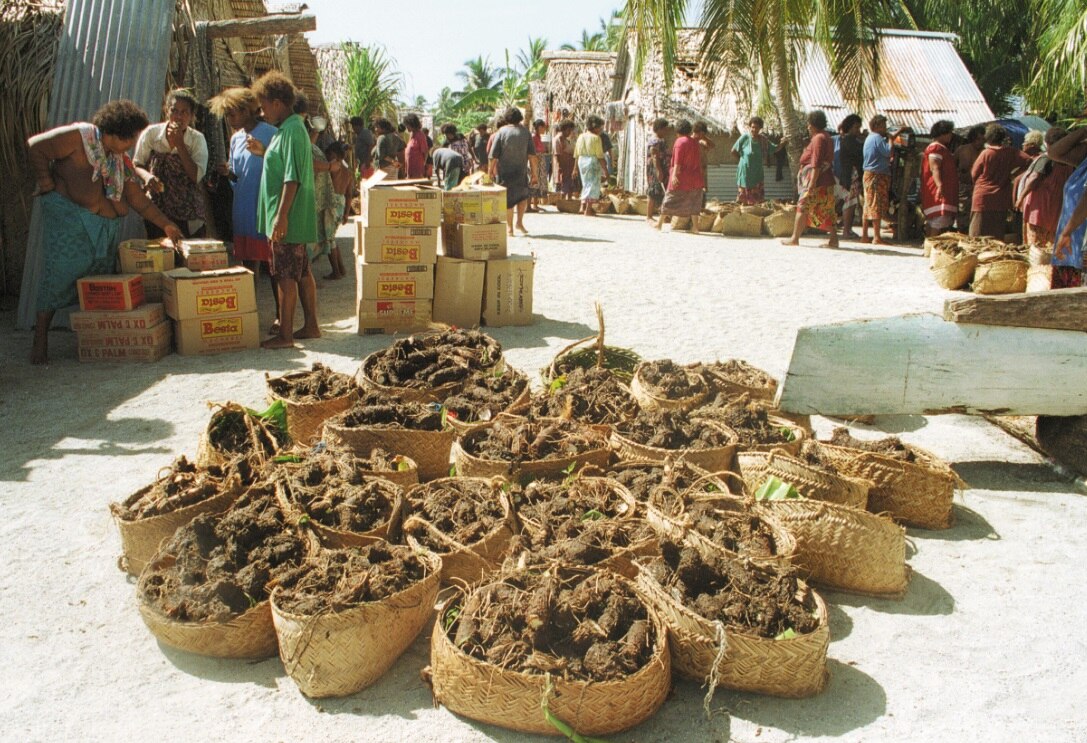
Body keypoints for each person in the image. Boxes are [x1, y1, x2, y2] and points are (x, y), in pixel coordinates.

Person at [26, 100, 182, 363]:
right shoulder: (79, 137)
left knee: (99, 284)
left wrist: (166, 223)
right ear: (112, 133)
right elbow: (36, 147)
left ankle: (96, 339)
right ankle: (40, 339)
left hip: (103, 233)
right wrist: (46, 182)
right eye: (128, 139)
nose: (131, 144)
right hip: (70, 224)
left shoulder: (119, 160)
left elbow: (138, 201)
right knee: (58, 277)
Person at [252, 71, 319, 350]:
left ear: (277, 103)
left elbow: (292, 178)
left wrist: (281, 216)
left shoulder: (291, 131)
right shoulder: (290, 130)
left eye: (264, 105)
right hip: (293, 218)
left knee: (285, 276)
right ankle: (311, 326)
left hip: (288, 219)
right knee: (301, 272)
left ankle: (286, 335)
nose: (262, 112)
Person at [207, 86, 278, 316]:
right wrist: (228, 173)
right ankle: (250, 312)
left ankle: (280, 315)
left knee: (273, 266)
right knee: (248, 264)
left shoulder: (271, 133)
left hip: (265, 207)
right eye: (227, 115)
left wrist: (264, 152)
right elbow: (238, 176)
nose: (229, 119)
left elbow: (282, 167)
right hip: (244, 207)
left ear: (247, 110)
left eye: (232, 114)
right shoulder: (236, 139)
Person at [133, 89, 209, 238]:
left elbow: (196, 176)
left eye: (184, 112)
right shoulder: (152, 134)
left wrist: (180, 144)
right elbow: (137, 164)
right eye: (174, 111)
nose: (178, 117)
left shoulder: (197, 140)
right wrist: (147, 177)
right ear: (166, 111)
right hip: (157, 210)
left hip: (188, 212)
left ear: (191, 116)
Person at [782, 110, 838, 248]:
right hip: (825, 180)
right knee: (826, 210)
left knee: (802, 207)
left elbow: (816, 162)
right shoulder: (827, 137)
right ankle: (834, 240)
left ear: (813, 125)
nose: (808, 127)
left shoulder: (818, 138)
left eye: (809, 124)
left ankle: (794, 238)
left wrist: (811, 183)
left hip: (816, 180)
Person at [969, 124, 1032, 239]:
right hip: (1001, 197)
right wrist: (1013, 175)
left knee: (977, 233)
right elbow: (1029, 161)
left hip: (982, 197)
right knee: (996, 233)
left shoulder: (986, 153)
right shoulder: (1011, 152)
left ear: (988, 137)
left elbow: (974, 174)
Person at [1017, 128, 1071, 248]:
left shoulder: (1046, 158)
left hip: (1039, 210)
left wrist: (1021, 197)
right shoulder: (1070, 161)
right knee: (1050, 246)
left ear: (1047, 143)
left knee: (1035, 246)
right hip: (1057, 211)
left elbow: (1035, 178)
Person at [1048, 124, 1087, 287]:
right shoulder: (1084, 158)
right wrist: (1084, 130)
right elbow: (1054, 152)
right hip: (1073, 245)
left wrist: (1067, 231)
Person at [488, 107, 538, 236]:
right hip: (521, 172)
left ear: (507, 118)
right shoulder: (525, 132)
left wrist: (490, 173)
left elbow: (493, 156)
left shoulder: (501, 132)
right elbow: (532, 156)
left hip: (504, 173)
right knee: (522, 198)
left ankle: (510, 228)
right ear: (520, 118)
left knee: (508, 201)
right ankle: (519, 223)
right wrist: (534, 174)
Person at [303, 115, 341, 279]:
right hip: (314, 203)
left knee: (322, 239)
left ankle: (311, 278)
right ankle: (309, 278)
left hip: (318, 203)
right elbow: (308, 164)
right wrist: (329, 166)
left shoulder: (311, 148)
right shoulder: (306, 148)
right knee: (317, 241)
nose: (315, 134)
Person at [657, 119, 705, 233]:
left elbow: (677, 162)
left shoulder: (680, 142)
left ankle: (659, 224)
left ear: (678, 131)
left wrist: (674, 175)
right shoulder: (695, 142)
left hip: (681, 178)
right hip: (695, 178)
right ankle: (695, 227)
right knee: (693, 202)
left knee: (669, 200)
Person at [861, 115, 898, 244]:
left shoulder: (870, 138)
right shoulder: (877, 138)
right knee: (876, 204)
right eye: (883, 126)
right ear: (877, 126)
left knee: (868, 204)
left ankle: (865, 235)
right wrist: (891, 139)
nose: (885, 128)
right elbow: (889, 152)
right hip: (877, 175)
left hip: (869, 174)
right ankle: (876, 237)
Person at [920, 120, 959, 235]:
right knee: (938, 219)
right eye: (949, 132)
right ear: (943, 133)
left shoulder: (940, 148)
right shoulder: (936, 148)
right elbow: (935, 168)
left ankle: (929, 243)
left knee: (935, 220)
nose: (951, 135)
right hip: (938, 188)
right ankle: (933, 243)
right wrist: (940, 186)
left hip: (940, 187)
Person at [833, 114, 864, 237]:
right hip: (850, 176)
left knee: (851, 202)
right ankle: (846, 230)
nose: (858, 130)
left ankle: (847, 229)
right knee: (850, 203)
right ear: (850, 127)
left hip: (849, 175)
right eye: (856, 128)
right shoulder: (849, 140)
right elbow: (859, 155)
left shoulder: (846, 140)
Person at [575, 115, 608, 216]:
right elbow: (600, 156)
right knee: (592, 185)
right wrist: (606, 171)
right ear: (595, 127)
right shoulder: (596, 138)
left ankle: (582, 207)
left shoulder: (580, 137)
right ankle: (588, 210)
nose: (601, 130)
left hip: (581, 161)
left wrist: (574, 168)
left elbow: (576, 154)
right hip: (592, 162)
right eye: (600, 128)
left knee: (585, 184)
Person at [731, 116, 769, 206]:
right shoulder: (745, 138)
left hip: (757, 174)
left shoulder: (763, 140)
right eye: (752, 127)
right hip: (745, 174)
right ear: (750, 127)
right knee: (743, 201)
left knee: (757, 202)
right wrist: (742, 160)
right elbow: (733, 151)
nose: (754, 130)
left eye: (757, 128)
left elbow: (773, 148)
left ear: (760, 128)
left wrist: (782, 143)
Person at [955, 125, 986, 232]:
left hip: (979, 188)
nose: (980, 142)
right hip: (963, 188)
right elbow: (953, 168)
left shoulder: (985, 152)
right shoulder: (962, 150)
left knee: (978, 217)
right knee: (962, 215)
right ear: (972, 138)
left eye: (982, 139)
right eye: (978, 139)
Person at [646, 118, 671, 225]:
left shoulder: (661, 140)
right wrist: (658, 170)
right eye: (665, 129)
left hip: (662, 168)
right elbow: (655, 157)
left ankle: (663, 215)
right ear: (659, 129)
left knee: (661, 191)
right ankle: (649, 216)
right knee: (653, 191)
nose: (666, 131)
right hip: (656, 169)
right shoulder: (655, 141)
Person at [552, 120, 578, 197]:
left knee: (569, 188)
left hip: (569, 167)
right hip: (563, 167)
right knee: (563, 189)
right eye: (568, 130)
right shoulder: (558, 139)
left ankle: (568, 201)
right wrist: (559, 168)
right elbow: (557, 155)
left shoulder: (565, 139)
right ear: (564, 129)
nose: (570, 132)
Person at [691, 121, 715, 207]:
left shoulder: (701, 143)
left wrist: (704, 137)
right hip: (692, 175)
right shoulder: (689, 142)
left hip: (702, 175)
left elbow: (712, 145)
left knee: (702, 197)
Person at [528, 119, 549, 212]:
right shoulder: (533, 137)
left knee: (538, 183)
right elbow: (532, 151)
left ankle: (535, 205)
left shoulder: (538, 137)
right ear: (540, 127)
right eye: (544, 127)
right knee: (532, 183)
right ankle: (529, 205)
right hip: (535, 163)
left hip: (540, 163)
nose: (544, 129)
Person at [403, 113, 428, 179]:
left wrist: (423, 165)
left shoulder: (420, 135)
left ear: (412, 124)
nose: (406, 127)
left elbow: (425, 152)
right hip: (409, 168)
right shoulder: (411, 134)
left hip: (417, 169)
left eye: (407, 125)